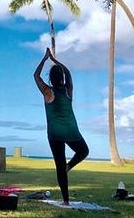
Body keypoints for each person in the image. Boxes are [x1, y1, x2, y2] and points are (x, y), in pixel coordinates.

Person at [34, 48, 89, 205]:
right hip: (71, 130)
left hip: (55, 133)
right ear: (62, 77)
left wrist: (45, 59)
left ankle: (66, 201)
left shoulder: (47, 92)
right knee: (84, 151)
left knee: (59, 165)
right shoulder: (68, 90)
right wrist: (56, 61)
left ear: (51, 79)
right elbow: (69, 74)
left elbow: (36, 76)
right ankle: (68, 166)